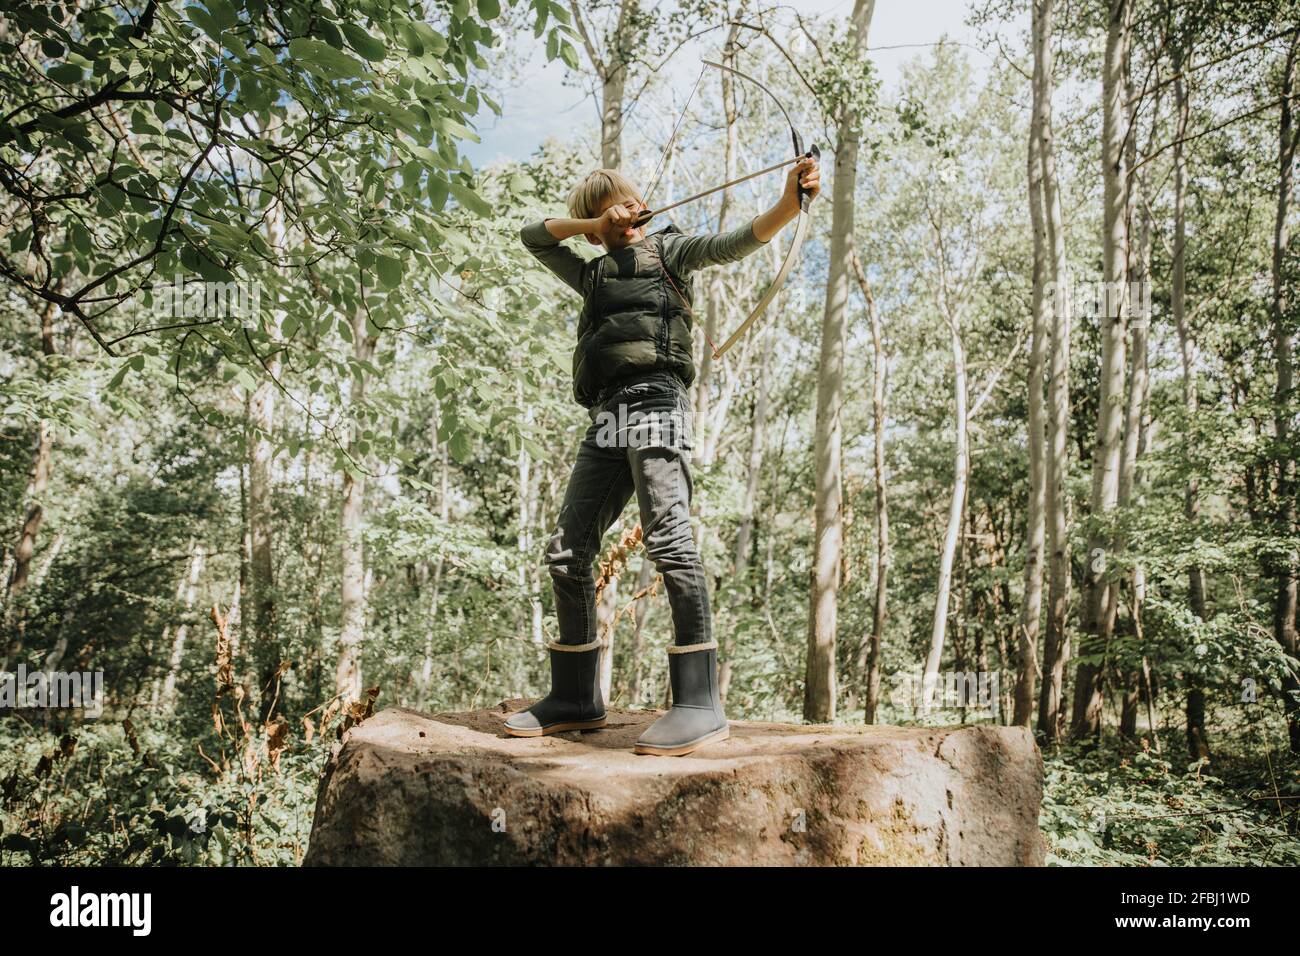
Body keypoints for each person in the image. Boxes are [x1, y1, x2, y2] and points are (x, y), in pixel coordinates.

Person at [507, 154, 820, 756]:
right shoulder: (593, 273)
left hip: (655, 401)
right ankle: (575, 698)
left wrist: (791, 200)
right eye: (600, 215)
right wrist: (591, 228)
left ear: (641, 204)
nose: (616, 219)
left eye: (621, 205)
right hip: (606, 414)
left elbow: (739, 240)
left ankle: (699, 704)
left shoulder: (669, 251)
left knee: (669, 538)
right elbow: (532, 238)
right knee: (567, 552)